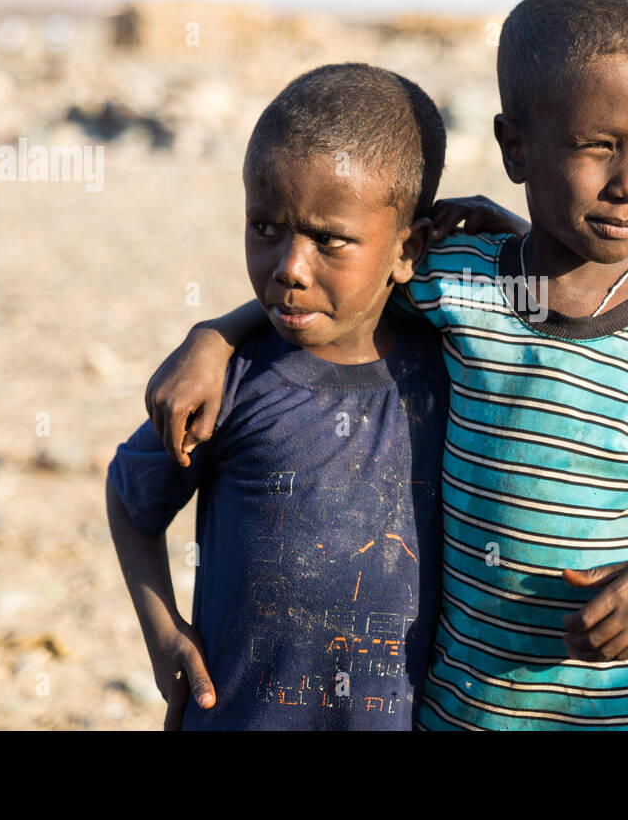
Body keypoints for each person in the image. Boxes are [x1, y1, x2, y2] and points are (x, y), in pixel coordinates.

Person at [146, 0, 628, 730]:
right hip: (459, 716)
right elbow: (335, 291)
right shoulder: (461, 284)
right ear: (515, 147)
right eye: (598, 145)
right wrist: (218, 335)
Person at [106, 63, 451, 729]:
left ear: (408, 248)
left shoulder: (454, 375)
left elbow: (553, 289)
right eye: (265, 228)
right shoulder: (231, 385)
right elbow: (130, 498)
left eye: (329, 240)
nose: (290, 267)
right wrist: (162, 628)